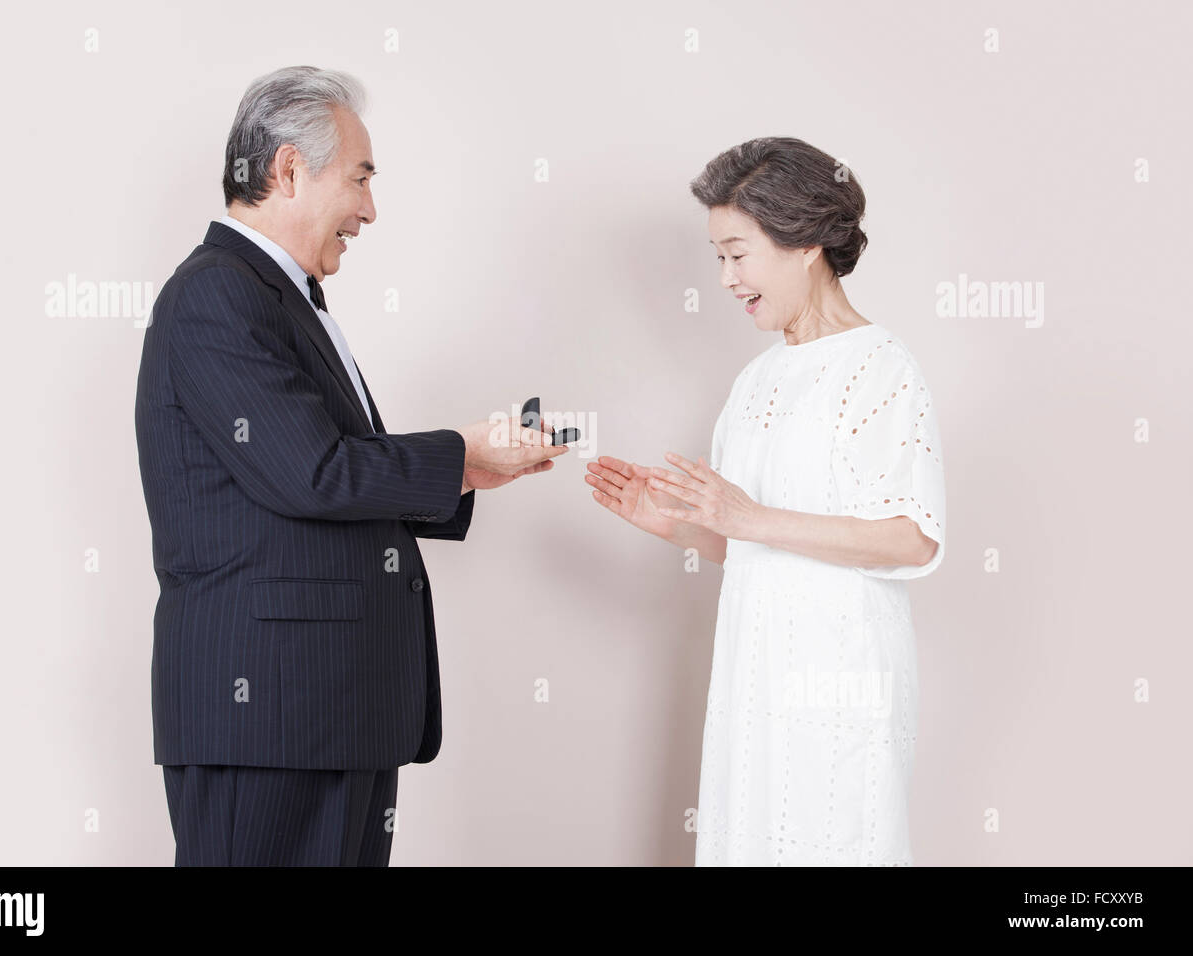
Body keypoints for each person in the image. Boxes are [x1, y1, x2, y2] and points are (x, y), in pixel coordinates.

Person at [134, 65, 566, 866]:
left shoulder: (281, 296)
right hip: (267, 712)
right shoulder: (216, 295)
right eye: (361, 179)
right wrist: (460, 454)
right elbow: (313, 472)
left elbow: (318, 475)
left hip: (323, 709)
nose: (370, 210)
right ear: (288, 169)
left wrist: (473, 472)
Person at [585, 137, 946, 866]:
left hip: (839, 687)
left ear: (805, 242)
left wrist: (745, 516)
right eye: (717, 256)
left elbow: (912, 538)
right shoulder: (756, 381)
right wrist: (678, 523)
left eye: (737, 253)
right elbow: (753, 545)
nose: (724, 278)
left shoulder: (880, 368)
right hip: (755, 684)